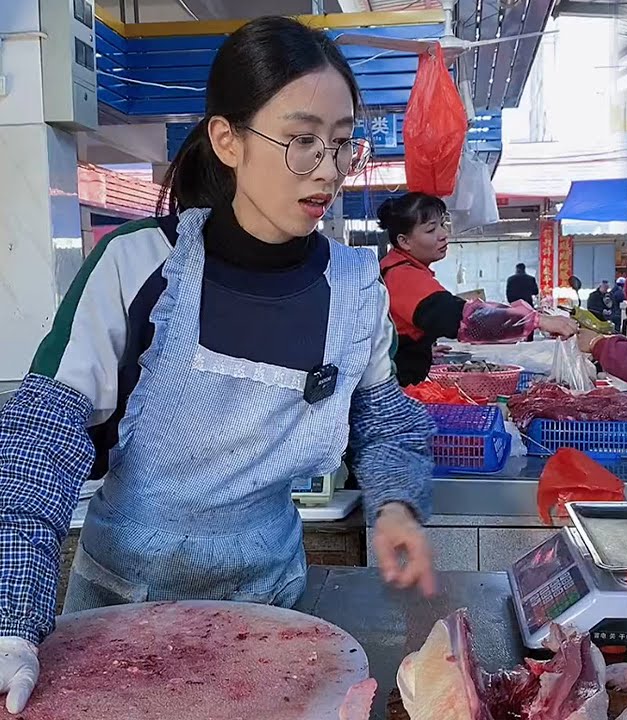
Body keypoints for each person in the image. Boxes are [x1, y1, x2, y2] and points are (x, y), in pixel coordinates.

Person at [0, 17, 441, 713]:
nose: (326, 169)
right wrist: (10, 621)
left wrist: (395, 503)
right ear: (227, 139)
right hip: (120, 612)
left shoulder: (357, 289)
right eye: (301, 141)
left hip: (275, 614)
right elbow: (35, 445)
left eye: (340, 142)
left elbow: (383, 422)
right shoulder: (140, 266)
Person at [376, 193, 578, 386]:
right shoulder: (403, 276)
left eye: (442, 224)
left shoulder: (398, 267)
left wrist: (424, 348)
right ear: (404, 241)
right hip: (394, 388)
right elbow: (468, 319)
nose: (444, 234)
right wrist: (538, 321)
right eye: (431, 230)